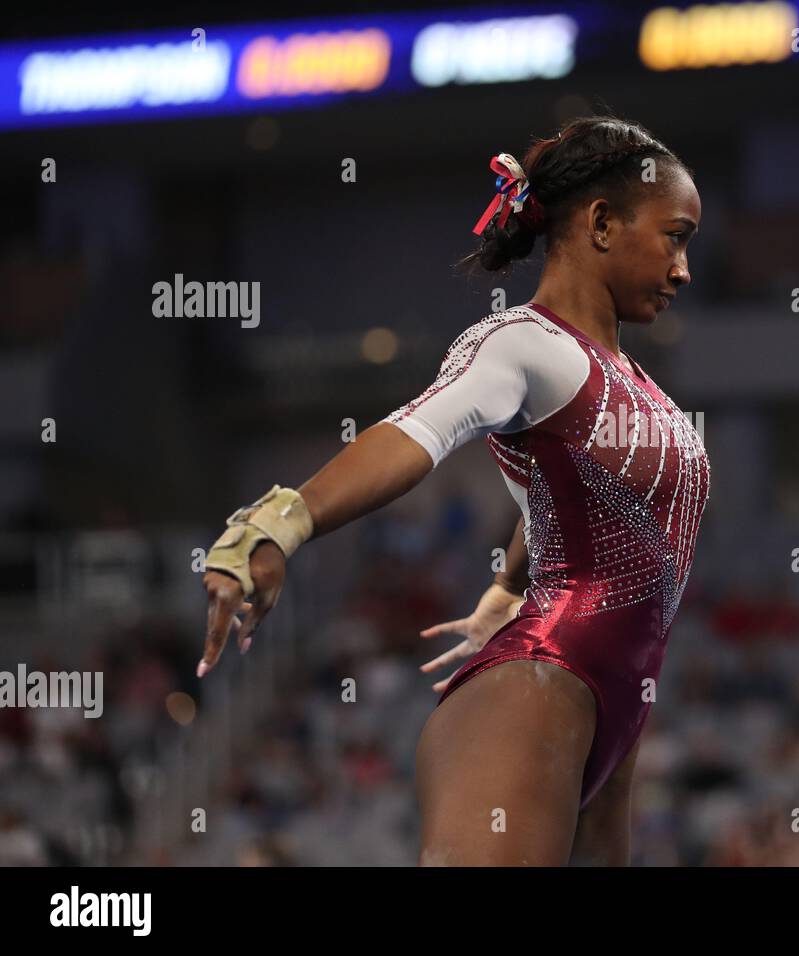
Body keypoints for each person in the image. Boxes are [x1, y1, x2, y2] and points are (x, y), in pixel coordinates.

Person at [198, 115, 708, 865]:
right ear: (602, 223)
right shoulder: (524, 343)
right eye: (675, 235)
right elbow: (416, 433)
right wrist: (284, 522)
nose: (684, 269)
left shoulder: (641, 388)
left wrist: (506, 583)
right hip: (538, 690)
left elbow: (573, 493)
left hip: (616, 720)